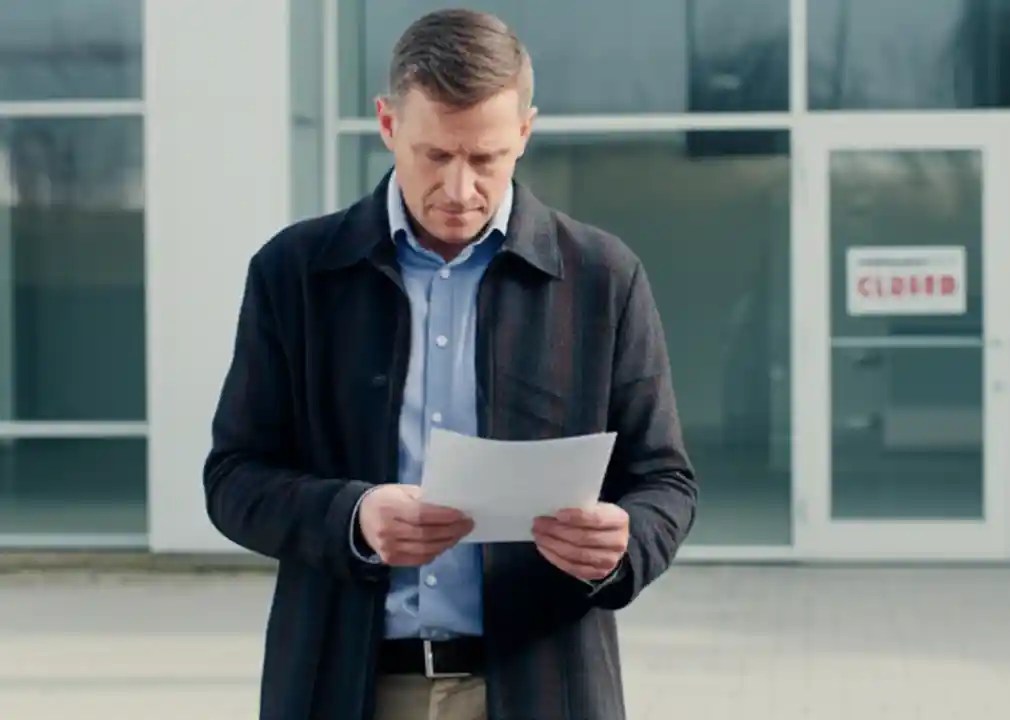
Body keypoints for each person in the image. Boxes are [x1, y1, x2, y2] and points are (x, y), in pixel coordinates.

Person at [203, 8, 697, 720]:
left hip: (540, 690)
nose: (461, 189)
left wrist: (625, 543)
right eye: (436, 155)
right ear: (387, 124)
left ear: (524, 133)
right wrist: (354, 516)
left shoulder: (601, 278)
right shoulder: (295, 274)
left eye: (486, 158)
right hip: (344, 687)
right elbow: (233, 477)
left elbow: (665, 482)